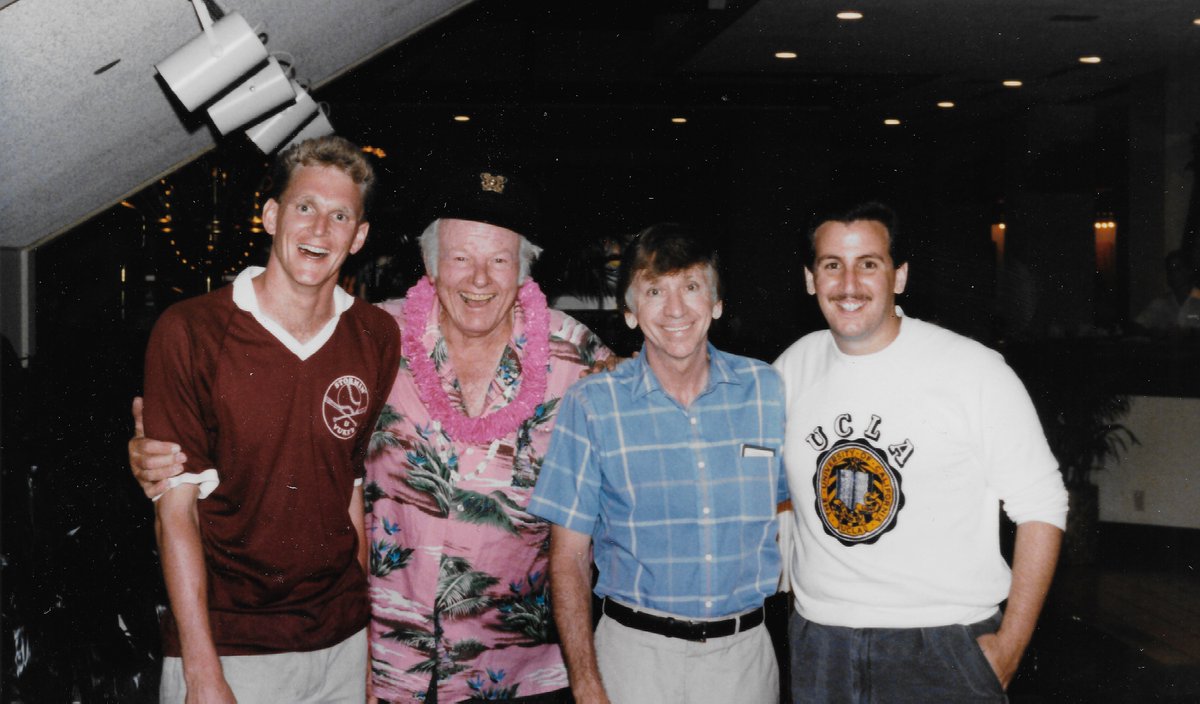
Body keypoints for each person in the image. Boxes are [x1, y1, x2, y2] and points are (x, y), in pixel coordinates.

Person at [132, 165, 611, 703]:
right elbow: (278, 413)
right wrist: (161, 452)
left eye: (499, 260)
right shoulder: (374, 338)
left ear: (524, 271)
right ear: (431, 265)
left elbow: (653, 412)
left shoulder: (577, 356)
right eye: (459, 258)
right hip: (387, 670)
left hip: (518, 671)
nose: (479, 280)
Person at [773, 202, 1069, 703]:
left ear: (900, 275)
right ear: (810, 278)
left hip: (942, 646)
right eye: (832, 265)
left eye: (869, 264)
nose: (849, 284)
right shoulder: (791, 369)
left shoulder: (972, 370)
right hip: (821, 647)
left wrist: (1010, 647)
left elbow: (1043, 505)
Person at [144, 135, 401, 703]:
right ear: (271, 216)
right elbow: (174, 514)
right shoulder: (191, 330)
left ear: (359, 237)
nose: (320, 230)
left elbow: (349, 489)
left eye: (340, 216)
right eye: (305, 207)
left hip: (340, 644)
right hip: (233, 646)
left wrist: (362, 649)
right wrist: (201, 671)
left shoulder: (376, 335)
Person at [528, 223, 788, 704]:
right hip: (633, 660)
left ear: (717, 303)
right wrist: (585, 682)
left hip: (743, 663)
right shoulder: (592, 404)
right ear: (630, 312)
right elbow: (567, 559)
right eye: (654, 291)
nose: (675, 309)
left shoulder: (768, 391)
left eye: (691, 287)